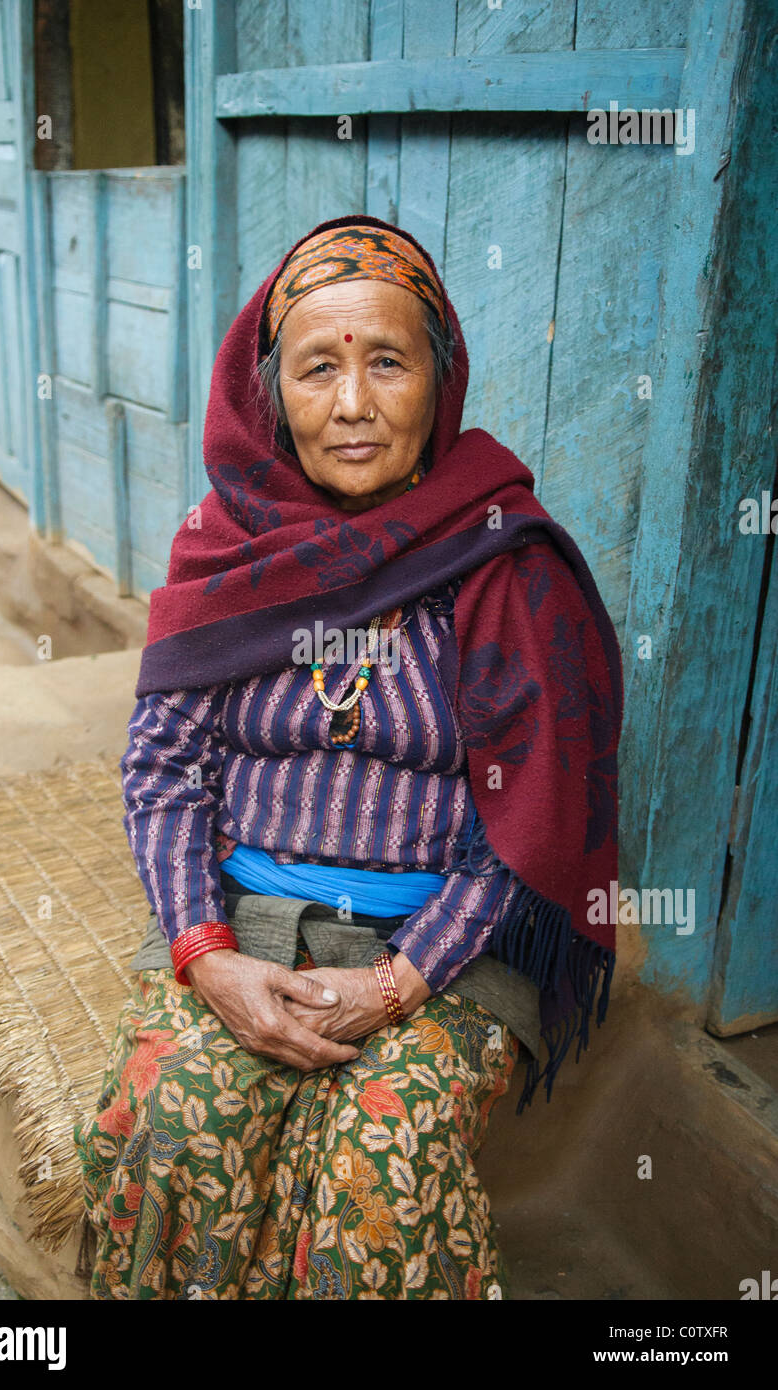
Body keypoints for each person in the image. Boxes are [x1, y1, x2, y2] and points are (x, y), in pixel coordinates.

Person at [74, 216, 623, 1300]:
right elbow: (165, 768)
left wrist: (393, 982)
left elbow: (531, 820)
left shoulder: (500, 558)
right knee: (184, 1112)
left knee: (376, 1153)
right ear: (271, 392)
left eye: (387, 361)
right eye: (317, 368)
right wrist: (206, 952)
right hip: (244, 931)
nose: (353, 404)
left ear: (440, 379)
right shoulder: (228, 547)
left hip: (440, 955)